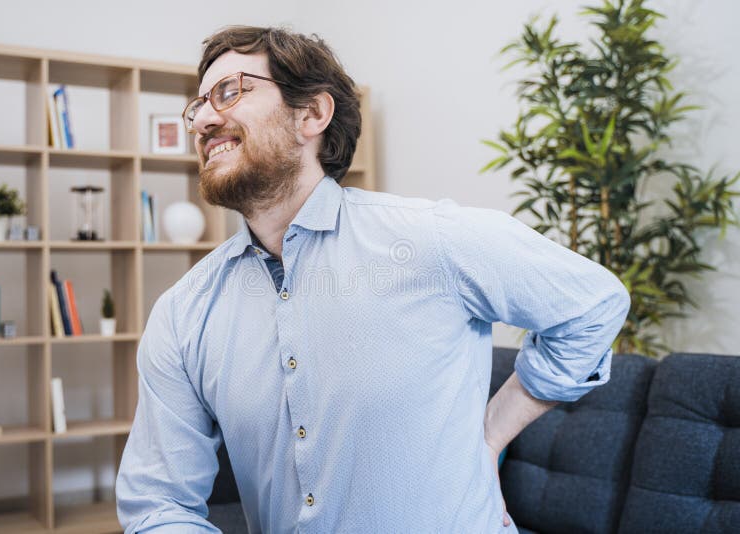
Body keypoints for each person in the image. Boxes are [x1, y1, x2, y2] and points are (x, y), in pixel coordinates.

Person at [116, 25, 630, 533]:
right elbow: (158, 506)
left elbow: (593, 304)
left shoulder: (435, 239)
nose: (203, 118)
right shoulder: (184, 313)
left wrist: (491, 438)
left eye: (230, 92)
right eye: (198, 104)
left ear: (312, 113)